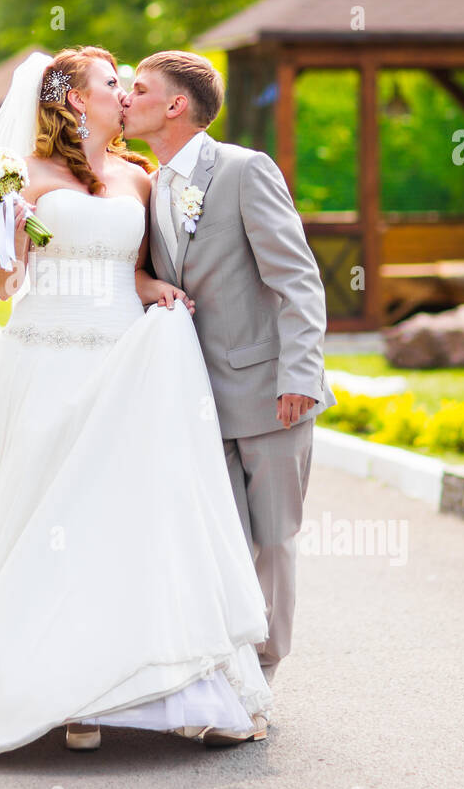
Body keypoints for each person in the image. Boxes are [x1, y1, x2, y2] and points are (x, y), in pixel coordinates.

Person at [0, 48, 272, 760]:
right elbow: (1, 282)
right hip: (41, 357)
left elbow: (140, 268)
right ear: (70, 99)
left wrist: (154, 290)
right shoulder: (19, 174)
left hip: (120, 360)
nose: (124, 94)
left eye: (125, 83)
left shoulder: (139, 179)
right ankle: (56, 698)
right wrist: (12, 232)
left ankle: (124, 688)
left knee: (117, 520)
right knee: (39, 519)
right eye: (110, 83)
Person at [121, 51, 336, 687]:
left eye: (139, 88)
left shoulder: (244, 170)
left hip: (271, 394)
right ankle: (226, 671)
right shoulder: (148, 184)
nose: (127, 99)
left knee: (272, 540)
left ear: (176, 105)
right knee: (221, 540)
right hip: (194, 395)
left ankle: (264, 675)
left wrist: (299, 374)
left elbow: (298, 278)